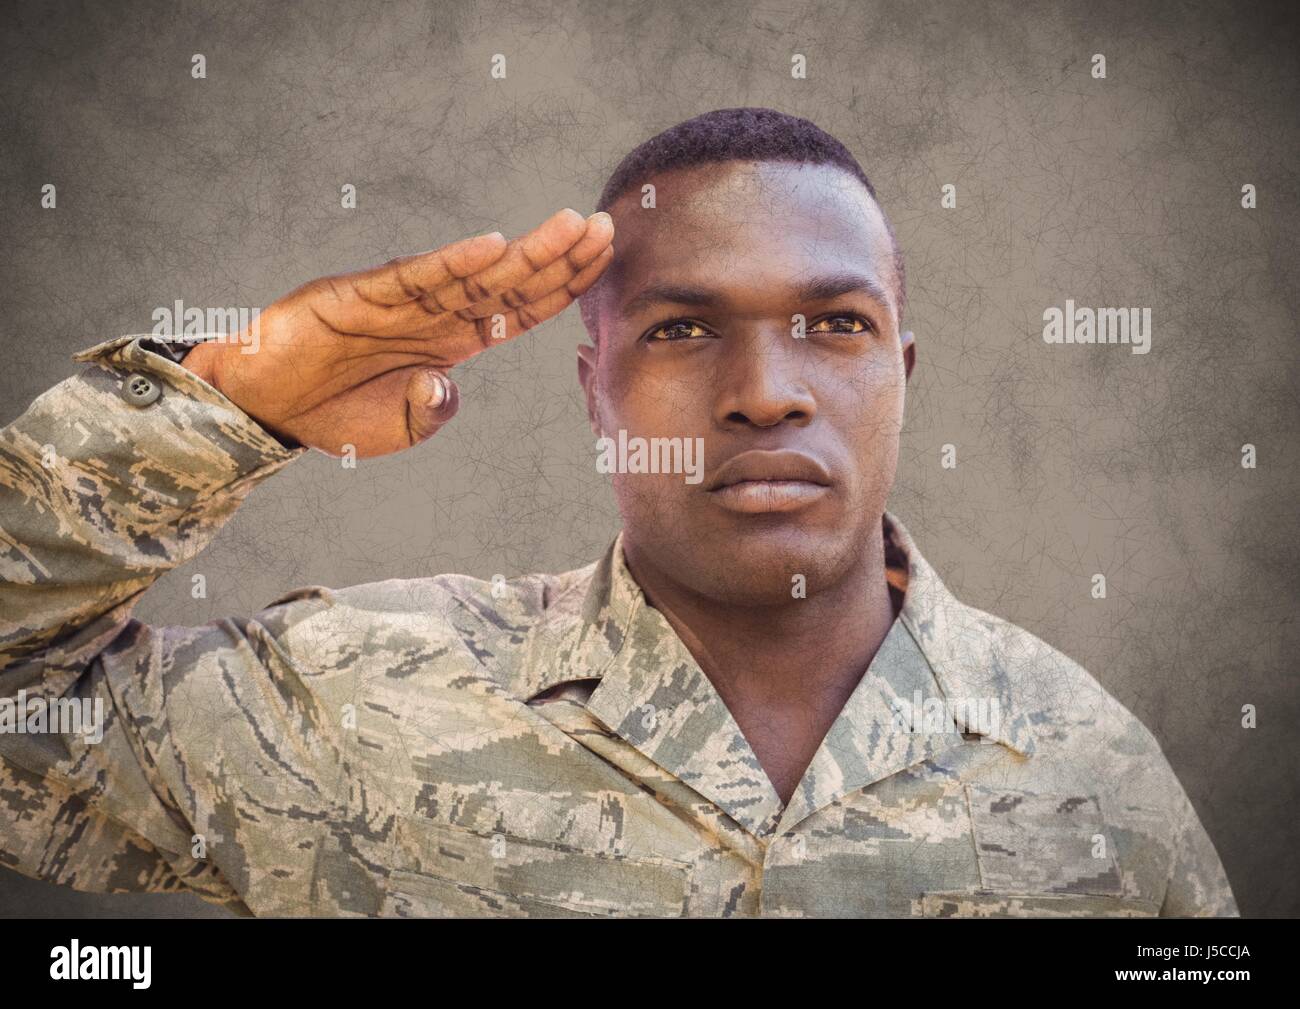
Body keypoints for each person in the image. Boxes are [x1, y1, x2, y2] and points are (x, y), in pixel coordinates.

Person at [0, 108, 1236, 917]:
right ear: (596, 388)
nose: (764, 393)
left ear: (902, 375)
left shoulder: (1088, 768)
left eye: (835, 325)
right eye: (683, 329)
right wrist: (230, 405)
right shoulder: (356, 705)